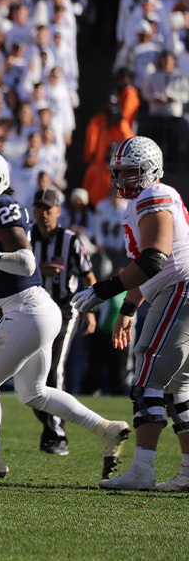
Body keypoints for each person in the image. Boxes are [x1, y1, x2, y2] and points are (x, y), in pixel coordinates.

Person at [0, 148, 130, 479]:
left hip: (27, 309)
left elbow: (26, 261)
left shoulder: (0, 207)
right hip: (35, 308)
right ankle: (105, 429)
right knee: (32, 393)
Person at [73, 137, 189, 491]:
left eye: (128, 171)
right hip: (175, 289)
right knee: (177, 390)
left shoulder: (153, 195)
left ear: (150, 171)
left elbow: (155, 258)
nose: (120, 177)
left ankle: (142, 469)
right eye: (118, 170)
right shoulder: (144, 200)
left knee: (147, 378)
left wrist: (101, 290)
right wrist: (129, 305)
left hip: (180, 289)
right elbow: (151, 265)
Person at [29, 189, 97, 456]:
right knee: (31, 374)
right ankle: (49, 424)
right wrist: (39, 270)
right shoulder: (25, 238)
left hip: (64, 309)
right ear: (34, 210)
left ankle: (58, 432)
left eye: (49, 208)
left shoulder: (70, 240)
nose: (44, 213)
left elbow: (89, 277)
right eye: (40, 208)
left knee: (54, 369)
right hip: (33, 310)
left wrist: (90, 310)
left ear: (58, 211)